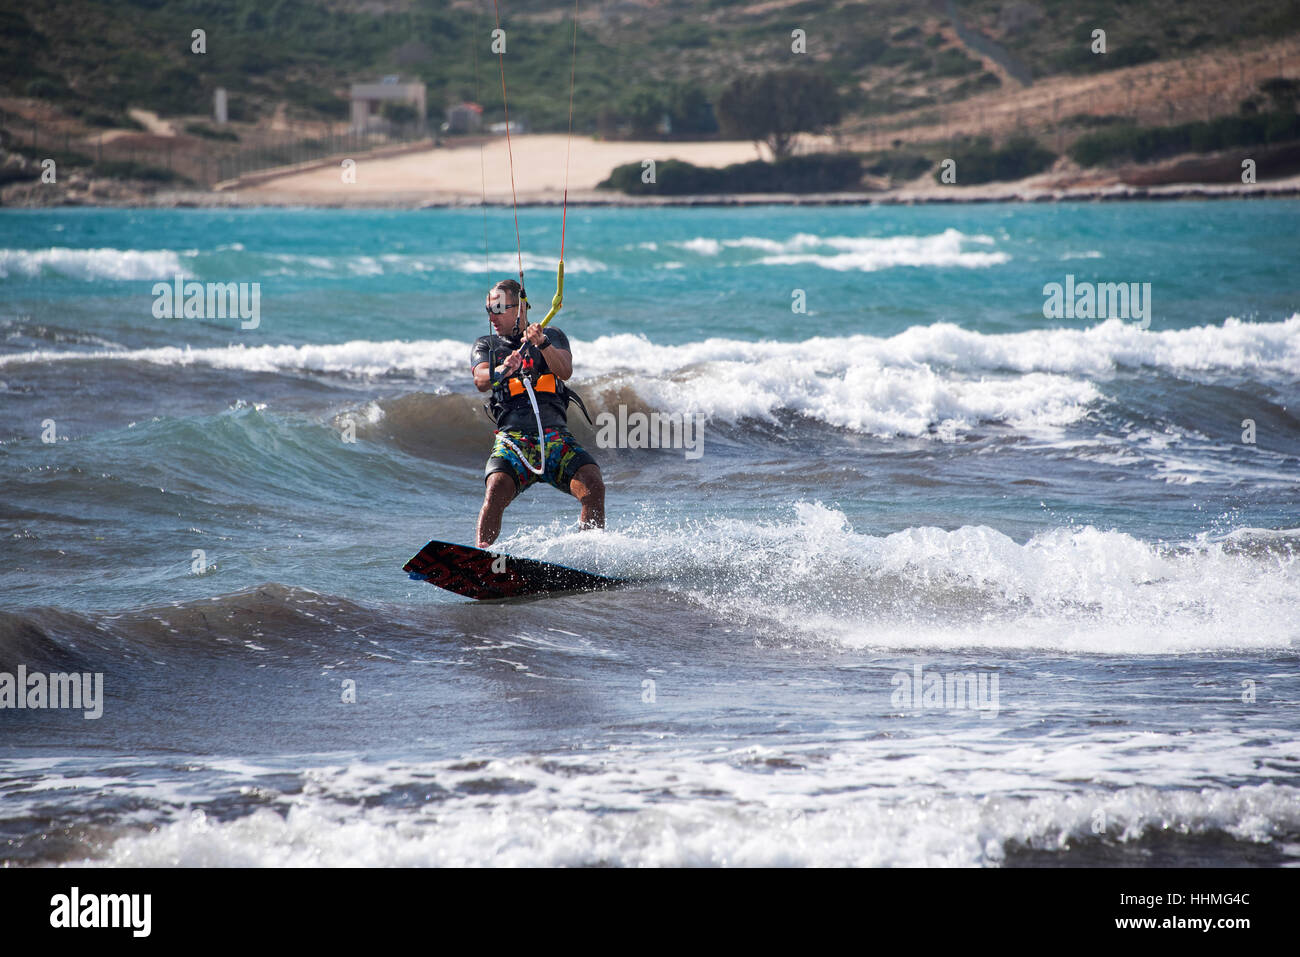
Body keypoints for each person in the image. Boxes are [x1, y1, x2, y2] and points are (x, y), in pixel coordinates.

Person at [470, 279, 605, 548]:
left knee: (593, 485)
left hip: (555, 439)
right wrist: (502, 370)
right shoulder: (487, 345)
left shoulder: (551, 335)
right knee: (495, 488)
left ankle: (592, 557)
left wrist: (542, 344)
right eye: (488, 309)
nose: (492, 316)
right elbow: (480, 380)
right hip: (513, 442)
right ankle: (482, 558)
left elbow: (565, 370)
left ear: (519, 307)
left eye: (498, 308)